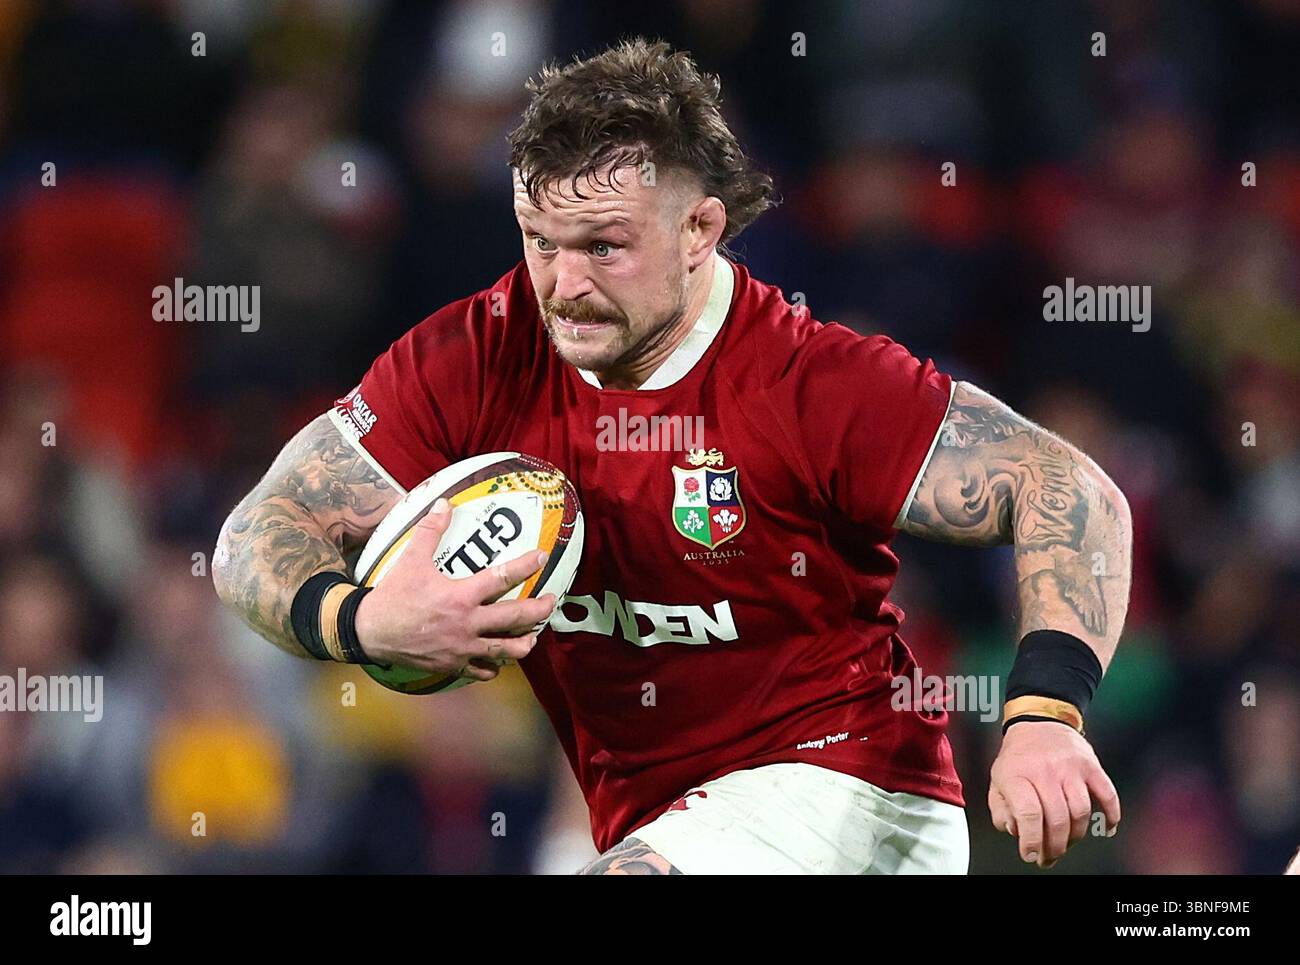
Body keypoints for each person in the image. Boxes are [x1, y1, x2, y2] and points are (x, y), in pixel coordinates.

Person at [213, 39, 1131, 874]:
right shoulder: (477, 354)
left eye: (605, 245)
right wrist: (360, 621)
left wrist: (1045, 715)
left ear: (699, 230)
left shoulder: (809, 379)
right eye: (541, 242)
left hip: (848, 792)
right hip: (657, 821)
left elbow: (1065, 486)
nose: (565, 285)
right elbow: (260, 527)